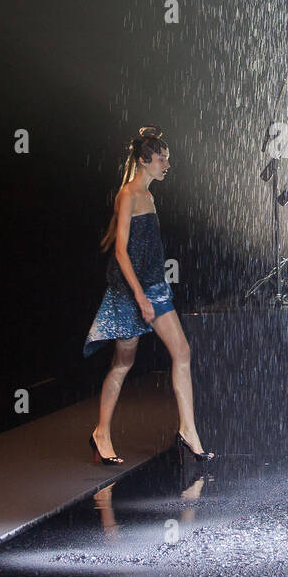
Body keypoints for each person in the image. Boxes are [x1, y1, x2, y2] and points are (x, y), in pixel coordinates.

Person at [83, 127, 212, 465]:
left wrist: (151, 292)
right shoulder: (128, 195)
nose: (167, 164)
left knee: (182, 351)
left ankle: (188, 430)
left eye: (167, 158)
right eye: (162, 158)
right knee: (123, 363)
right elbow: (122, 252)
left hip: (155, 287)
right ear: (144, 160)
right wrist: (139, 297)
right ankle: (101, 432)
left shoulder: (150, 197)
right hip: (130, 292)